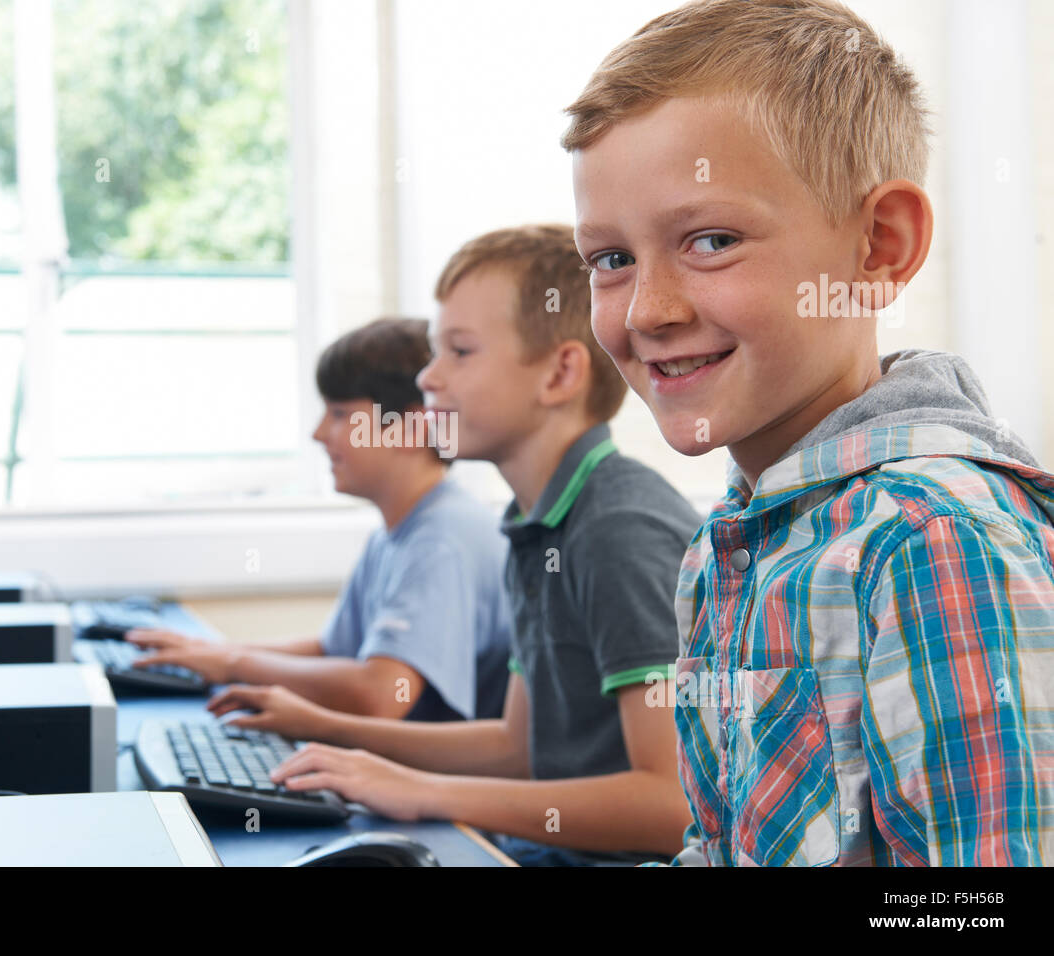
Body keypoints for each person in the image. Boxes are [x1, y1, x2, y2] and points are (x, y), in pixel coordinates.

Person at [566, 0, 1054, 864]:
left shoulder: (929, 540)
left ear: (879, 247)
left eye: (711, 240)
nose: (648, 310)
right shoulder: (733, 542)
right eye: (612, 260)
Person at [211, 225, 702, 864]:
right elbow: (518, 747)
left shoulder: (616, 529)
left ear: (559, 373)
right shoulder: (536, 522)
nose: (427, 378)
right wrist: (330, 733)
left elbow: (673, 807)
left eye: (460, 352)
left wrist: (425, 791)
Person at [129, 317, 513, 722]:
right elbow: (333, 650)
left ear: (413, 428)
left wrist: (235, 664)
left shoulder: (443, 539)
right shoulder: (398, 531)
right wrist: (212, 653)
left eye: (339, 413)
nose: (317, 433)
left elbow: (381, 695)